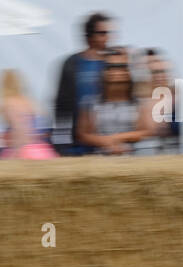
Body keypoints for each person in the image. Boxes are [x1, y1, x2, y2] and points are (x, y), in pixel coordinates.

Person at [75, 48, 161, 155]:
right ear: (103, 71)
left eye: (122, 67)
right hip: (100, 160)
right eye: (111, 67)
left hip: (134, 159)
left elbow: (148, 131)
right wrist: (106, 142)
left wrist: (116, 138)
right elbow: (82, 135)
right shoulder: (89, 103)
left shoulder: (140, 103)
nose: (117, 72)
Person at [51, 12, 113, 156]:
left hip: (107, 138)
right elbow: (61, 104)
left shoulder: (113, 63)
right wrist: (61, 142)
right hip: (77, 140)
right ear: (89, 36)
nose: (107, 37)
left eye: (108, 33)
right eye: (102, 33)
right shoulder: (71, 63)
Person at [1, 69, 57, 158]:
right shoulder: (29, 102)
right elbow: (44, 129)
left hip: (25, 150)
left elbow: (21, 129)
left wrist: (16, 152)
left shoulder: (9, 103)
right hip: (42, 149)